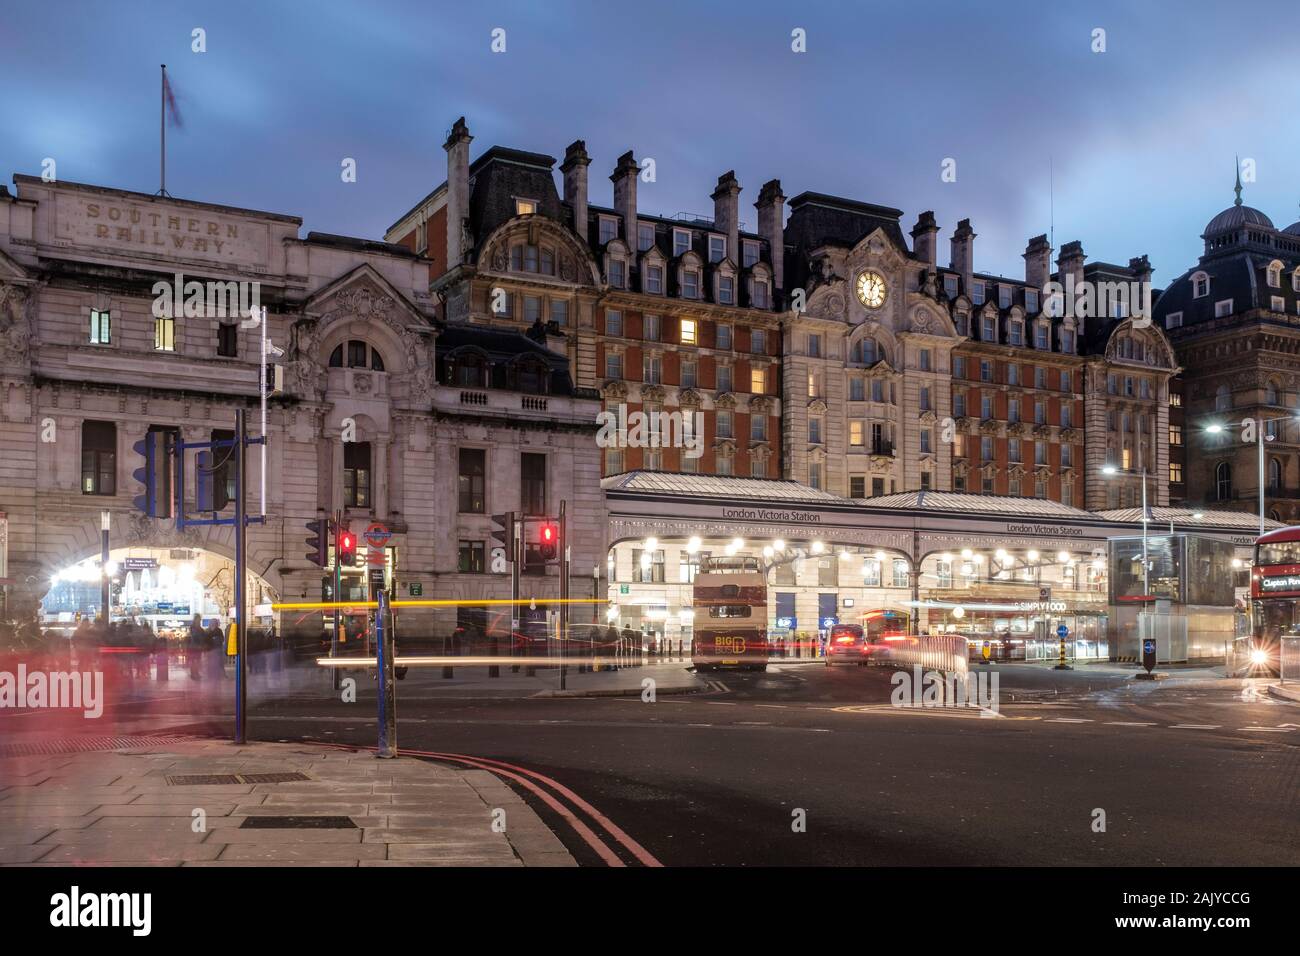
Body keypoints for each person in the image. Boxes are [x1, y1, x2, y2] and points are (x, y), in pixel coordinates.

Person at [188, 614, 206, 680]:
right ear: (196, 619)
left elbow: (201, 635)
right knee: (194, 661)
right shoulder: (194, 627)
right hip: (194, 647)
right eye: (199, 619)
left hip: (197, 647)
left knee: (197, 661)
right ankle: (193, 674)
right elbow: (195, 636)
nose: (200, 620)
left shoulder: (198, 628)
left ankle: (196, 673)